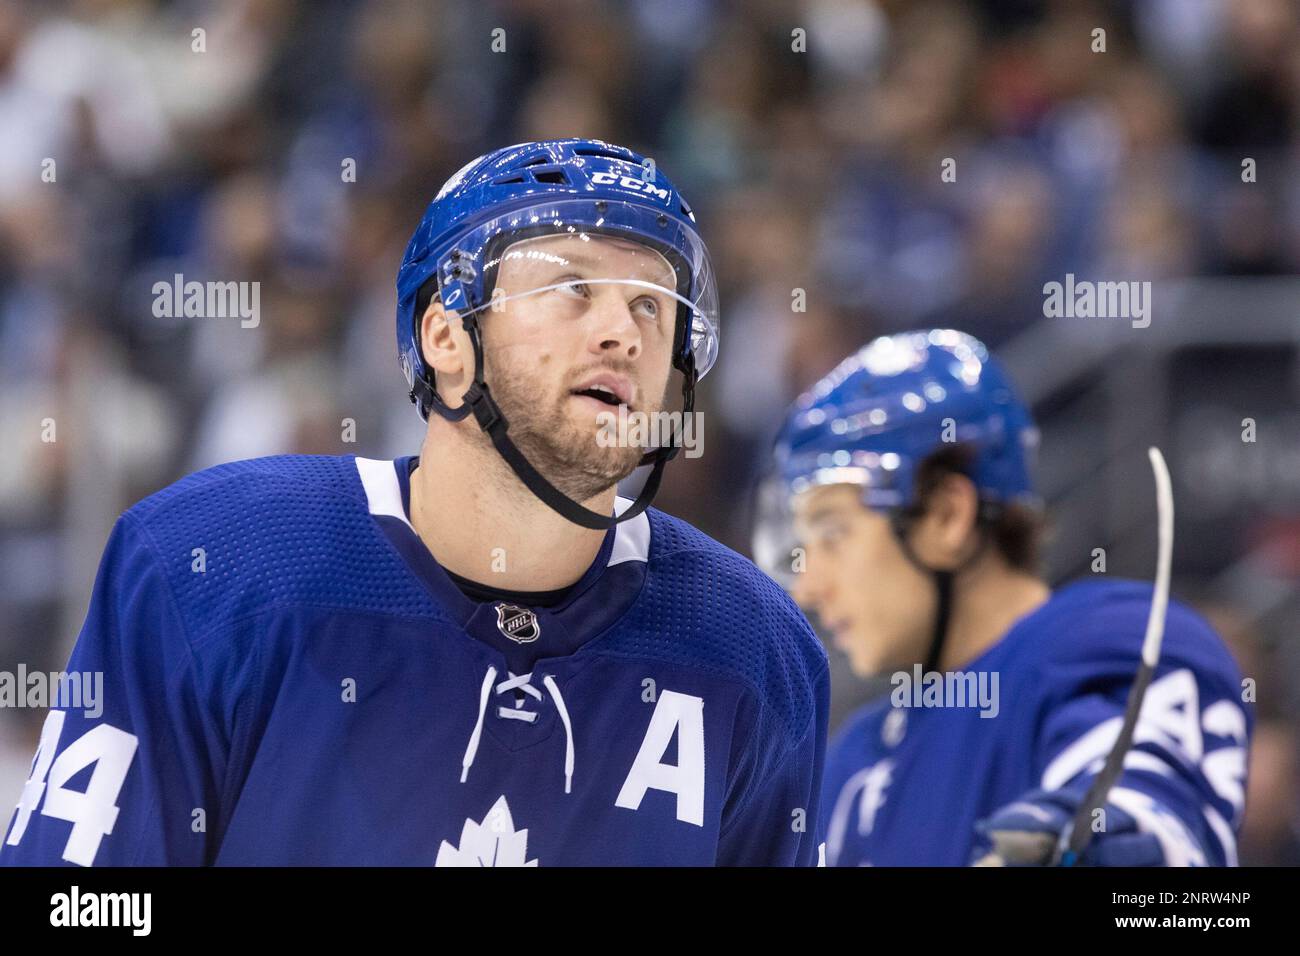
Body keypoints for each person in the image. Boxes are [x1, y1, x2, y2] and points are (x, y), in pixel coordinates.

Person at [2, 139, 827, 866]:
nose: (627, 331)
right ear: (445, 337)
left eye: (654, 303)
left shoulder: (750, 648)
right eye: (574, 288)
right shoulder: (218, 565)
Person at [756, 329, 1250, 866]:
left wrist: (1067, 850)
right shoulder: (855, 759)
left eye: (833, 533)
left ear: (948, 515)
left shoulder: (1106, 641)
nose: (807, 585)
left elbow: (1150, 838)